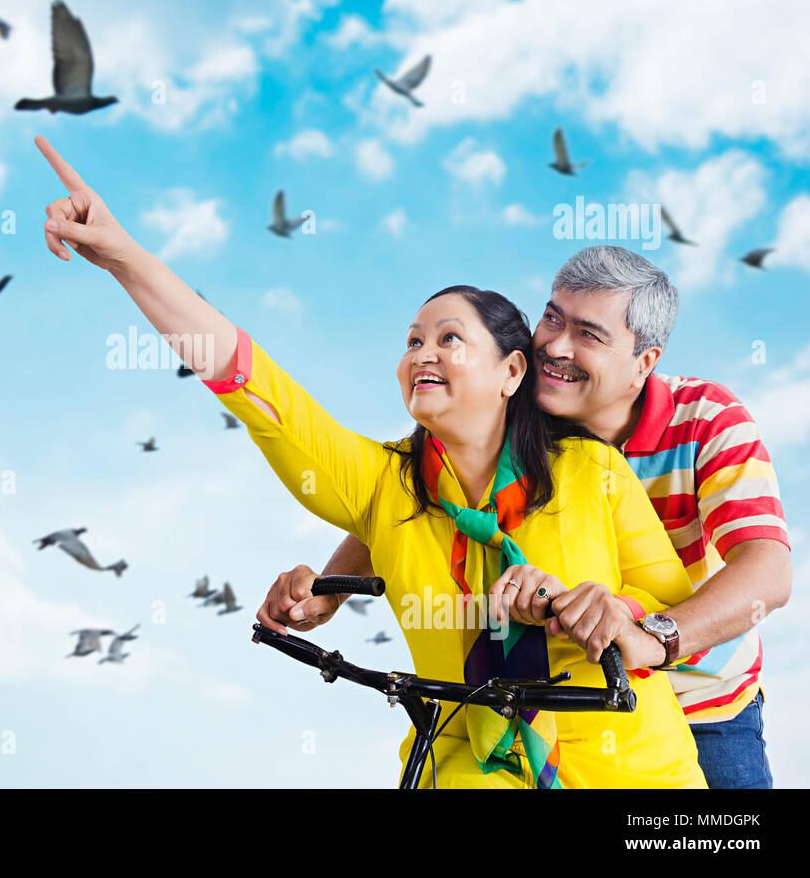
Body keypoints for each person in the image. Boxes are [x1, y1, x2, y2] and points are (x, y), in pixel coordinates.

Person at [34, 137, 705, 788]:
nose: (423, 353)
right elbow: (251, 380)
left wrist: (588, 607)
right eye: (413, 340)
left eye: (449, 338)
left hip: (637, 775)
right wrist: (125, 257)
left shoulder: (594, 471)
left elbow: (671, 607)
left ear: (511, 371)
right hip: (465, 767)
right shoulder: (384, 485)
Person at [280, 246, 791, 788]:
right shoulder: (523, 403)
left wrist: (655, 636)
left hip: (705, 699)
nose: (555, 346)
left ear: (644, 362)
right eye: (552, 317)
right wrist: (335, 587)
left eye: (589, 334)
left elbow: (767, 571)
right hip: (563, 698)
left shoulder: (706, 419)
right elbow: (420, 487)